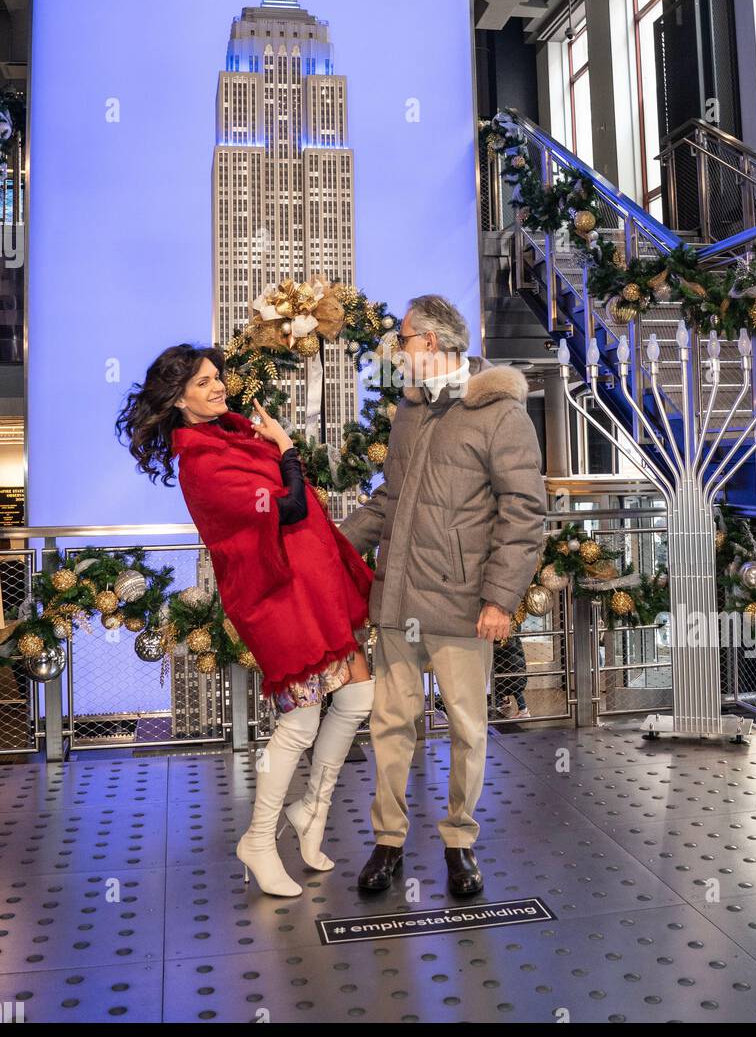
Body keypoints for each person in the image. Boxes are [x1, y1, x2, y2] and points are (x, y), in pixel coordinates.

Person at [115, 343, 376, 898]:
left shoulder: (233, 434)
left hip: (315, 589)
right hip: (277, 600)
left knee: (357, 697)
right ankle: (259, 839)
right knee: (301, 723)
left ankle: (311, 809)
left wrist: (273, 447)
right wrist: (286, 449)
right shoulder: (202, 460)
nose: (218, 388)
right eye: (204, 382)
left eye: (218, 378)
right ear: (177, 396)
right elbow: (288, 507)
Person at [338, 294, 547, 898]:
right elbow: (390, 501)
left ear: (431, 342)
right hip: (398, 603)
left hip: (462, 606)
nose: (396, 351)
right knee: (390, 725)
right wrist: (335, 546)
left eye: (402, 339)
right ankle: (388, 842)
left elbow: (524, 512)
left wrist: (500, 600)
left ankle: (460, 842)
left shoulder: (500, 413)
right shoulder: (408, 411)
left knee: (467, 730)